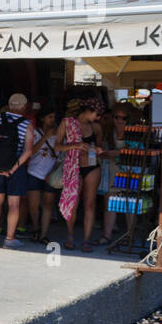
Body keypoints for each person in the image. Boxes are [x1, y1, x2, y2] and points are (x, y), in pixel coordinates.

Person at [0, 92, 39, 250]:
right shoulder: (27, 124)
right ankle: (9, 238)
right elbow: (28, 151)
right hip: (15, 169)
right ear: (23, 107)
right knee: (14, 204)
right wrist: (13, 169)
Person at [53, 97, 105, 252]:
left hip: (92, 166)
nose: (99, 117)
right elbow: (57, 146)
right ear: (88, 111)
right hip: (73, 166)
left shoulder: (96, 127)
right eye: (97, 114)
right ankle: (70, 235)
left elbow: (100, 147)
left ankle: (86, 239)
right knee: (73, 202)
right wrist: (75, 145)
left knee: (90, 204)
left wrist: (98, 150)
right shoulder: (67, 123)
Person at [99, 102, 137, 245]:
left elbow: (136, 152)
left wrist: (116, 153)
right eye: (116, 117)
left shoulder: (134, 132)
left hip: (130, 171)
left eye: (123, 118)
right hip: (112, 171)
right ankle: (107, 235)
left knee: (130, 203)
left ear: (129, 119)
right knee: (110, 202)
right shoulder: (109, 131)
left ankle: (130, 235)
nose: (119, 120)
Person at [23, 106, 62, 245]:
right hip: (34, 172)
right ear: (42, 118)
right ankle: (36, 228)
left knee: (48, 204)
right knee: (33, 205)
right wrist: (45, 137)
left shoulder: (59, 133)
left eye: (53, 117)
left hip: (50, 174)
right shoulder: (34, 132)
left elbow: (60, 155)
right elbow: (31, 152)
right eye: (49, 117)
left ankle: (43, 234)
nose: (52, 120)